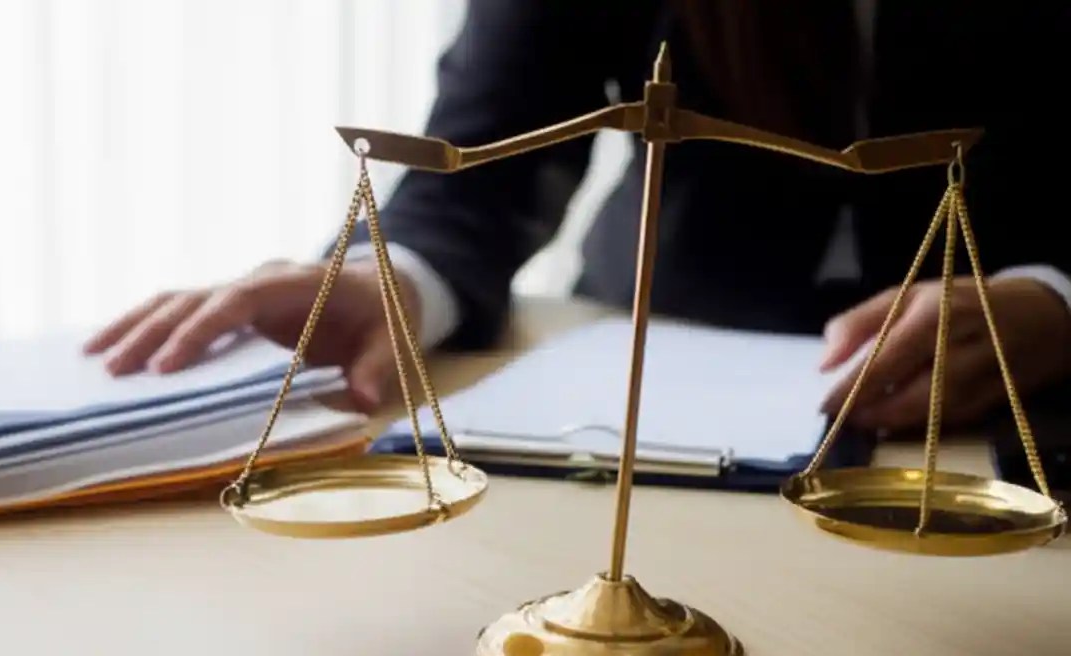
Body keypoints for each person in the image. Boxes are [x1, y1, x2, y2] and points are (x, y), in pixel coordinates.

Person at [84, 1, 1071, 434]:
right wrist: (400, 274)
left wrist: (1054, 303)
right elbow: (482, 151)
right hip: (658, 368)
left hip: (1014, 418)